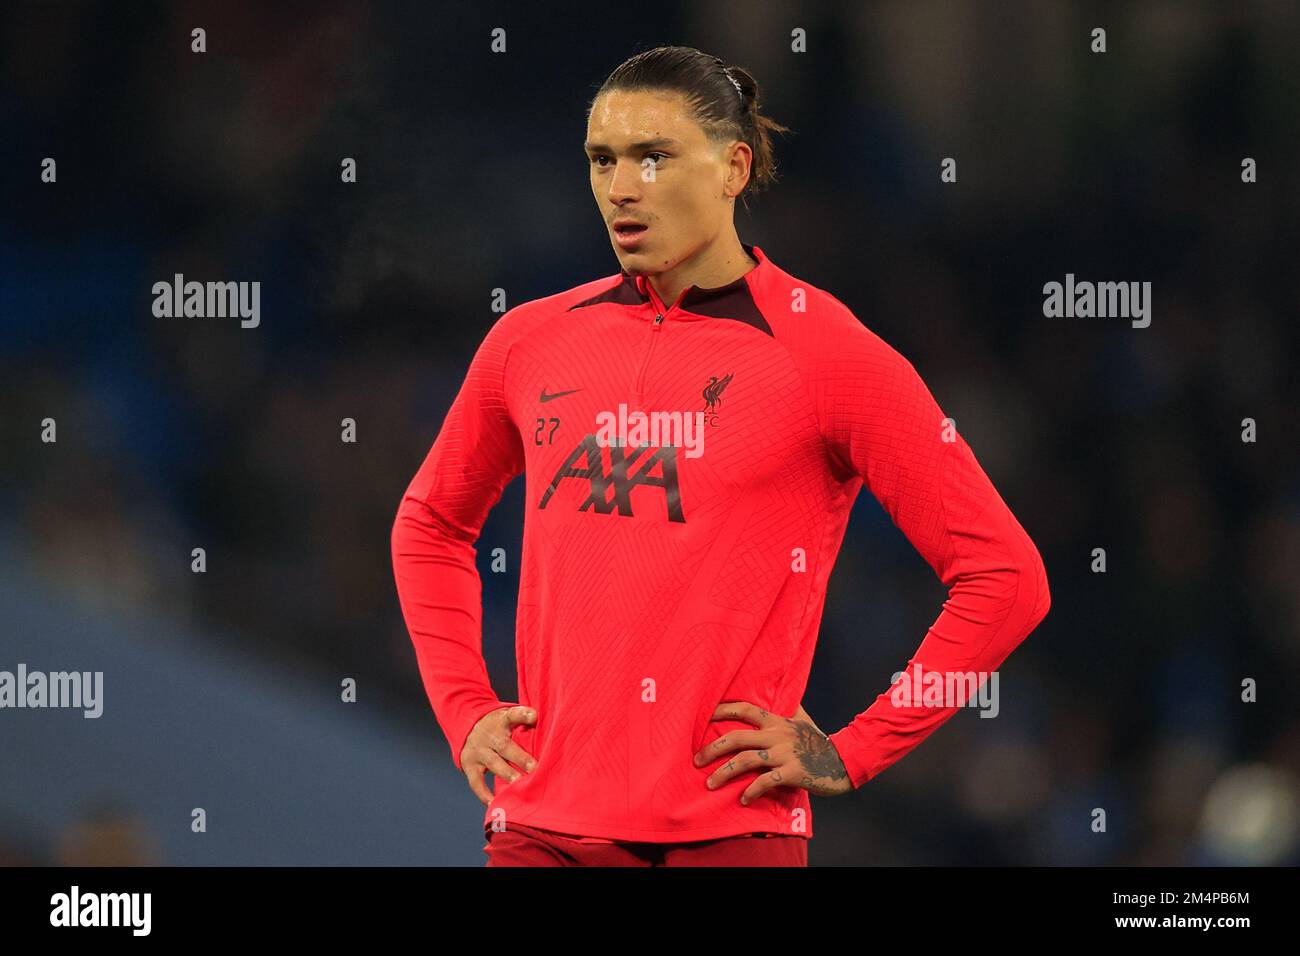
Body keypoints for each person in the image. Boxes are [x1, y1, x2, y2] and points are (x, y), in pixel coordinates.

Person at [390, 46, 1050, 867]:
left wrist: (859, 746)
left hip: (731, 836)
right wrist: (463, 710)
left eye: (654, 157)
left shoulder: (828, 354)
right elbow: (430, 523)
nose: (622, 188)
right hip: (540, 828)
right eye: (603, 160)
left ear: (734, 167)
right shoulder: (529, 340)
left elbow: (1007, 578)